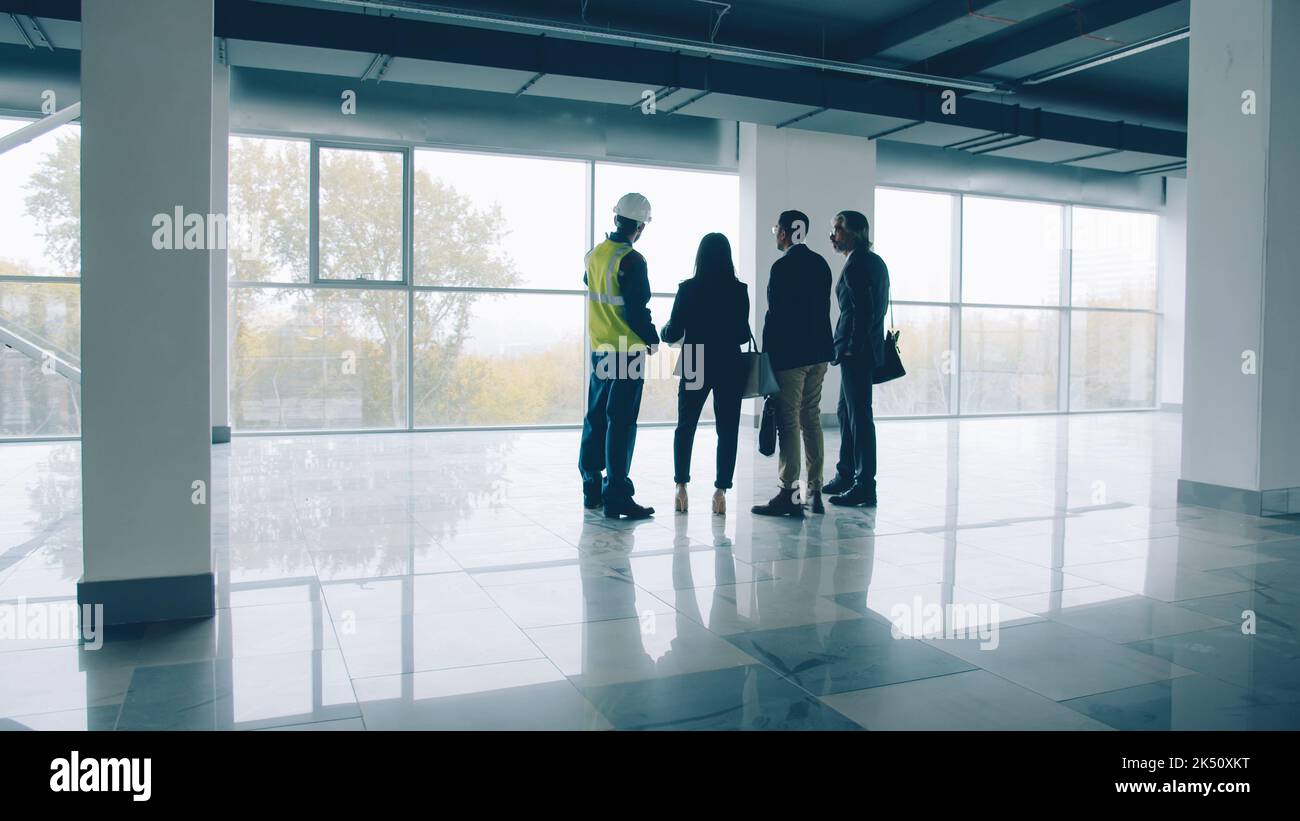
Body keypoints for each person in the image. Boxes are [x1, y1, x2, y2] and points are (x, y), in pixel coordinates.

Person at [579, 193, 660, 519]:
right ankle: (618, 495)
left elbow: (590, 283)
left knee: (596, 417)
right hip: (626, 351)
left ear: (616, 219)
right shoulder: (632, 260)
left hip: (601, 350)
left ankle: (591, 488)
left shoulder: (595, 254)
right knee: (621, 422)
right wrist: (652, 340)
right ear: (640, 226)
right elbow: (637, 309)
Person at [660, 233, 750, 515]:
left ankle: (681, 488)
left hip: (696, 359)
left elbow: (673, 331)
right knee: (728, 430)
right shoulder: (739, 290)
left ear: (700, 257)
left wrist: (665, 330)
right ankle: (720, 492)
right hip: (728, 362)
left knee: (686, 425)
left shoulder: (688, 289)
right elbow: (742, 334)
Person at [753, 210, 834, 518]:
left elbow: (775, 318)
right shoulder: (820, 264)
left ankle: (789, 493)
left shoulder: (782, 267)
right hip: (819, 355)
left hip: (791, 357)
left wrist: (767, 360)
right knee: (810, 419)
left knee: (788, 422)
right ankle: (814, 493)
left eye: (777, 229)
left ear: (786, 233)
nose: (775, 234)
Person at [825, 210, 889, 507]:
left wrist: (850, 346)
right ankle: (846, 473)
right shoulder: (872, 261)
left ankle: (865, 484)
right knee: (846, 413)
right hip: (861, 350)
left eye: (837, 229)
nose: (833, 235)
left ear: (855, 232)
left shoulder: (857, 265)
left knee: (859, 417)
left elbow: (863, 312)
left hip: (856, 352)